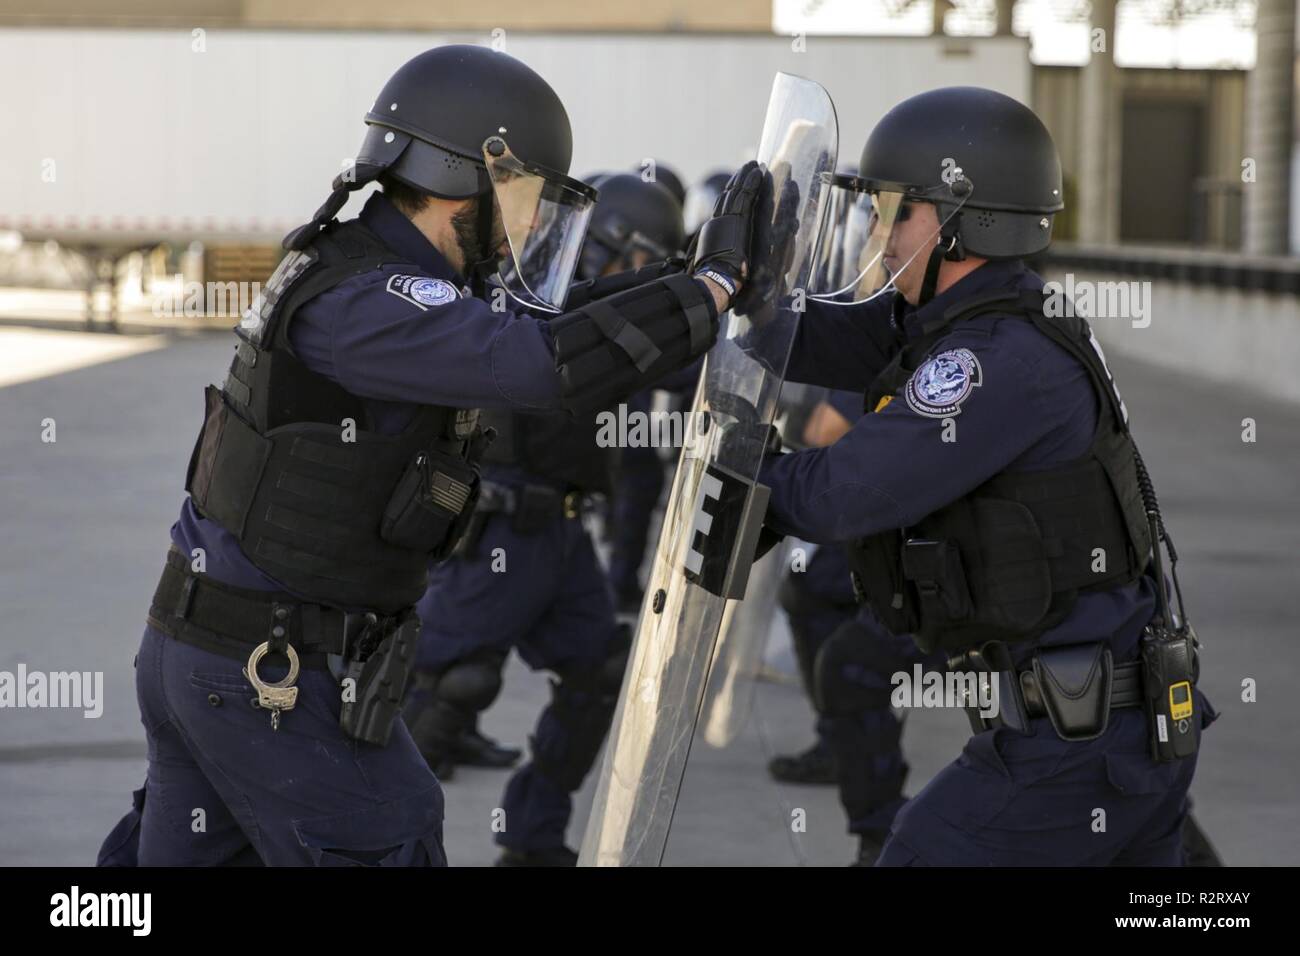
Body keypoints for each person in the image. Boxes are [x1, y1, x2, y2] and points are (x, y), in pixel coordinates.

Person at [95, 44, 746, 867]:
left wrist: (690, 280)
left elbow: (542, 328)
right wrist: (712, 291)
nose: (535, 224)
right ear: (467, 178)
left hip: (225, 652)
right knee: (391, 833)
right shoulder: (372, 301)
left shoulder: (376, 276)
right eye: (527, 197)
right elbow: (539, 366)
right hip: (265, 672)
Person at [714, 86, 1214, 865]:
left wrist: (756, 476)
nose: (876, 234)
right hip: (1111, 732)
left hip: (1078, 751)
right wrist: (740, 290)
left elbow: (851, 490)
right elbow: (814, 338)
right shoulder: (975, 323)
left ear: (956, 221)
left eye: (892, 211)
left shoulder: (994, 361)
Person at [401, 173, 697, 866]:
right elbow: (606, 351)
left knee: (595, 674)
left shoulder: (582, 303)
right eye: (633, 260)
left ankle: (532, 838)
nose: (631, 277)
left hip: (563, 534)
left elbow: (670, 366)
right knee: (449, 682)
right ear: (604, 247)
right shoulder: (534, 300)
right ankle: (369, 848)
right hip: (505, 527)